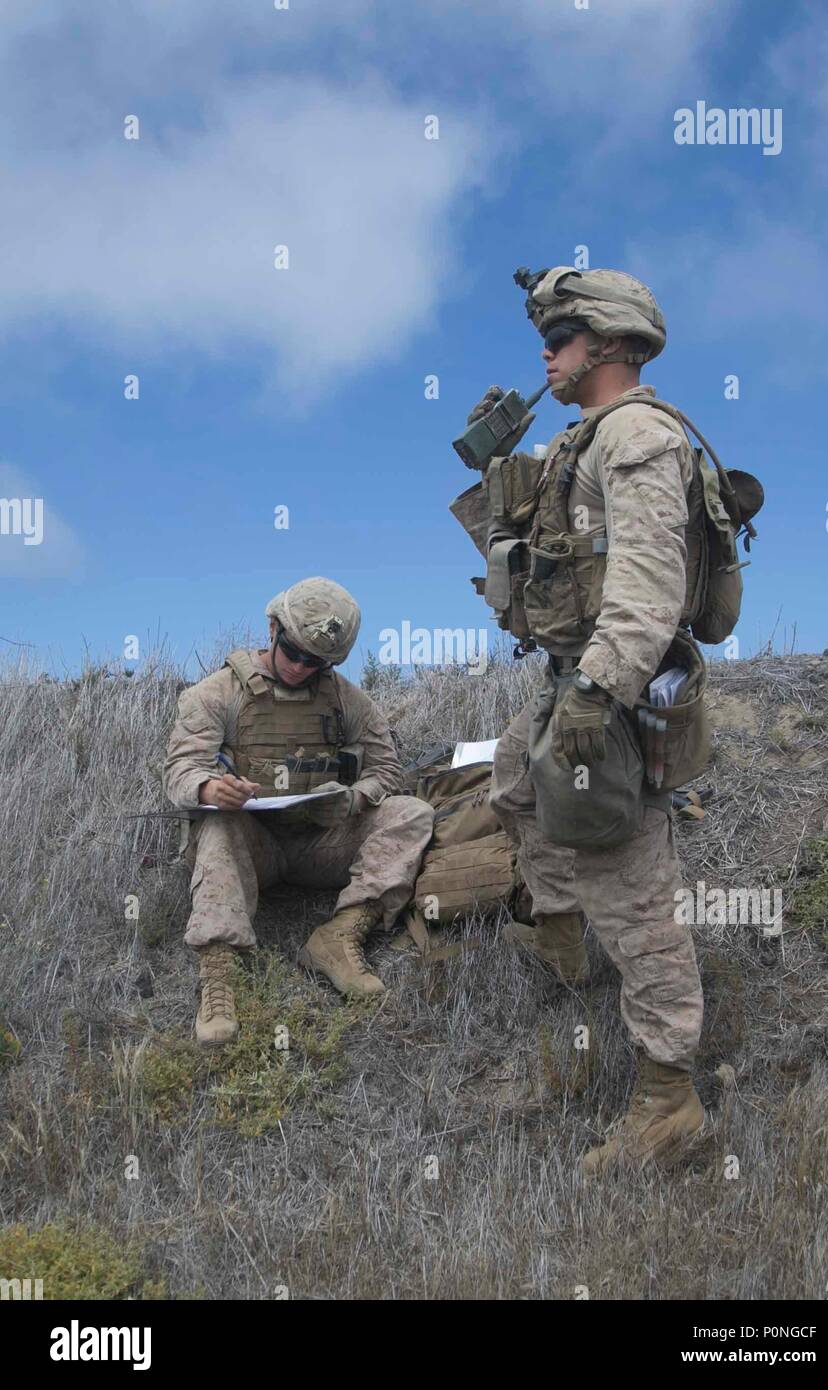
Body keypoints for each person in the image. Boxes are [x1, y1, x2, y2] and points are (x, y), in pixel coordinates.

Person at [476, 267, 705, 1175]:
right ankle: (567, 948)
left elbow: (650, 590)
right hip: (575, 678)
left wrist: (597, 696)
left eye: (562, 337)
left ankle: (668, 1100)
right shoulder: (586, 439)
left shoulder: (640, 436)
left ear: (606, 344)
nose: (547, 353)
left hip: (616, 692)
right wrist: (496, 468)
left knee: (634, 888)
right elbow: (541, 570)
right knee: (512, 784)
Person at [163, 577, 433, 1046]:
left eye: (317, 662)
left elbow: (388, 768)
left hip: (320, 844)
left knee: (411, 813)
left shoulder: (346, 699)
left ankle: (342, 935)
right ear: (273, 630)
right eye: (294, 652)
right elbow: (179, 771)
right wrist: (210, 787)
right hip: (252, 849)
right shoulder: (216, 694)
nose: (302, 668)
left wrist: (356, 797)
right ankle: (219, 971)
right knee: (218, 821)